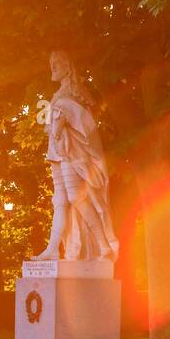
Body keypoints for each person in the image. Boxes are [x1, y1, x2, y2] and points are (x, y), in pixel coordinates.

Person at [36, 51, 119, 261]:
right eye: (51, 63)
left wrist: (59, 122)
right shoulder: (60, 94)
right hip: (57, 154)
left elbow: (77, 124)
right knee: (60, 201)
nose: (52, 67)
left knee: (75, 197)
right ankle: (53, 249)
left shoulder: (73, 93)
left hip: (71, 154)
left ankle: (103, 245)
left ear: (68, 67)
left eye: (57, 63)